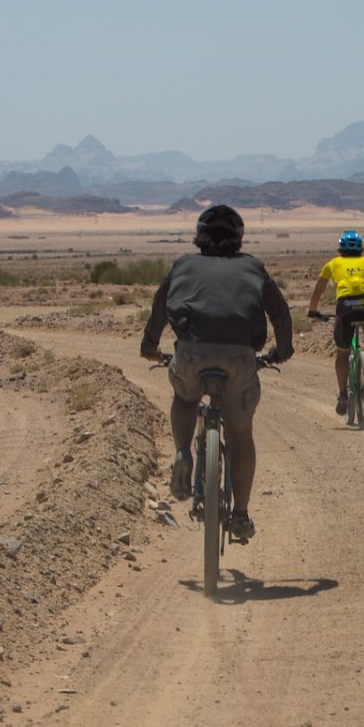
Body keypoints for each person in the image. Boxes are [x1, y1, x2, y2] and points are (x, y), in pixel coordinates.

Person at [140, 204, 294, 543]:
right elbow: (280, 314)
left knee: (184, 396)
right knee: (240, 433)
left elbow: (159, 307)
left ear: (200, 236)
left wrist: (150, 345)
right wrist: (282, 351)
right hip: (241, 357)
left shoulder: (182, 264)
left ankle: (183, 453)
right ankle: (240, 514)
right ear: (239, 238)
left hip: (192, 352)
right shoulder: (253, 267)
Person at [307, 229, 364, 415]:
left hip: (345, 307)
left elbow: (318, 290)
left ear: (340, 249)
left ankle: (343, 394)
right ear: (361, 248)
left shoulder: (332, 264)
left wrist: (313, 310)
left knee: (342, 353)